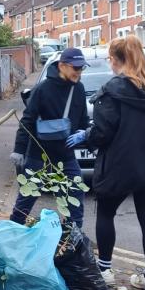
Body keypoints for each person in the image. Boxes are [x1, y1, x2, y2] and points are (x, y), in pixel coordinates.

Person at [67, 35, 145, 290]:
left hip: (119, 165)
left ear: (116, 60)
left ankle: (105, 271)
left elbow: (103, 133)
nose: (109, 63)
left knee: (106, 213)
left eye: (110, 59)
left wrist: (85, 135)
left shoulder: (112, 91)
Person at [10, 46, 89, 227]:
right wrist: (19, 150)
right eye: (75, 68)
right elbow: (27, 120)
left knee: (75, 199)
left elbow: (83, 119)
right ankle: (11, 236)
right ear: (62, 66)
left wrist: (85, 135)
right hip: (38, 156)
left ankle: (72, 243)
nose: (79, 72)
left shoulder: (78, 89)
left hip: (66, 156)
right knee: (24, 204)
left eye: (81, 68)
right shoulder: (42, 89)